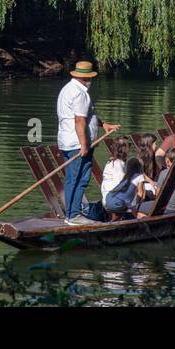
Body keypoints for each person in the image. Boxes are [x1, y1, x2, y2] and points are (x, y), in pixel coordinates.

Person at [55, 60, 119, 225]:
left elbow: (88, 115)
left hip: (68, 141)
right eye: (89, 78)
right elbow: (80, 121)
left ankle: (72, 213)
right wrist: (84, 146)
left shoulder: (68, 89)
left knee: (72, 178)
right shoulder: (80, 93)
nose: (90, 81)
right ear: (86, 78)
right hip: (78, 144)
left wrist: (103, 124)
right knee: (78, 179)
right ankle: (73, 215)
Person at [136, 148, 175, 217]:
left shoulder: (164, 173)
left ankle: (150, 224)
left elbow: (158, 195)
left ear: (167, 161)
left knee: (136, 208)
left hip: (166, 209)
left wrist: (154, 189)